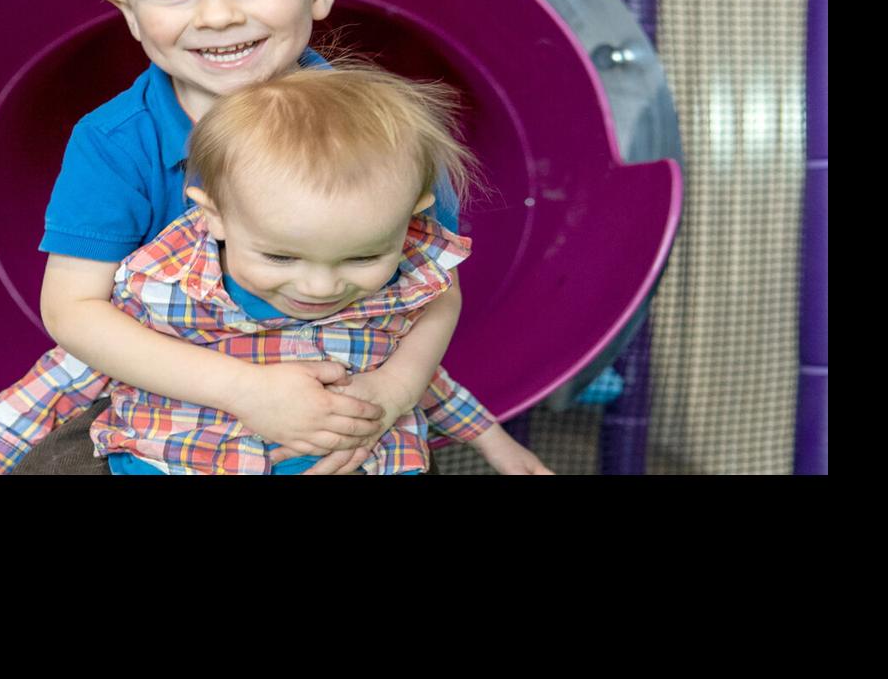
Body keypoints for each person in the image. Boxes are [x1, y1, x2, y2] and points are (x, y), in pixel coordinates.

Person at [0, 0, 480, 474]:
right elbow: (73, 309)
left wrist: (391, 391)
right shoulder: (114, 143)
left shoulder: (388, 135)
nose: (219, 16)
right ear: (131, 13)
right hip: (162, 395)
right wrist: (245, 390)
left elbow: (435, 289)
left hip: (341, 376)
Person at [92, 65, 551, 474]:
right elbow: (78, 369)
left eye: (362, 257)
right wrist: (15, 444)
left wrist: (492, 441)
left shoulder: (390, 296)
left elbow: (420, 377)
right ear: (215, 216)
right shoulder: (166, 291)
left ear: (412, 221)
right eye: (280, 257)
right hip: (186, 459)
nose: (321, 287)